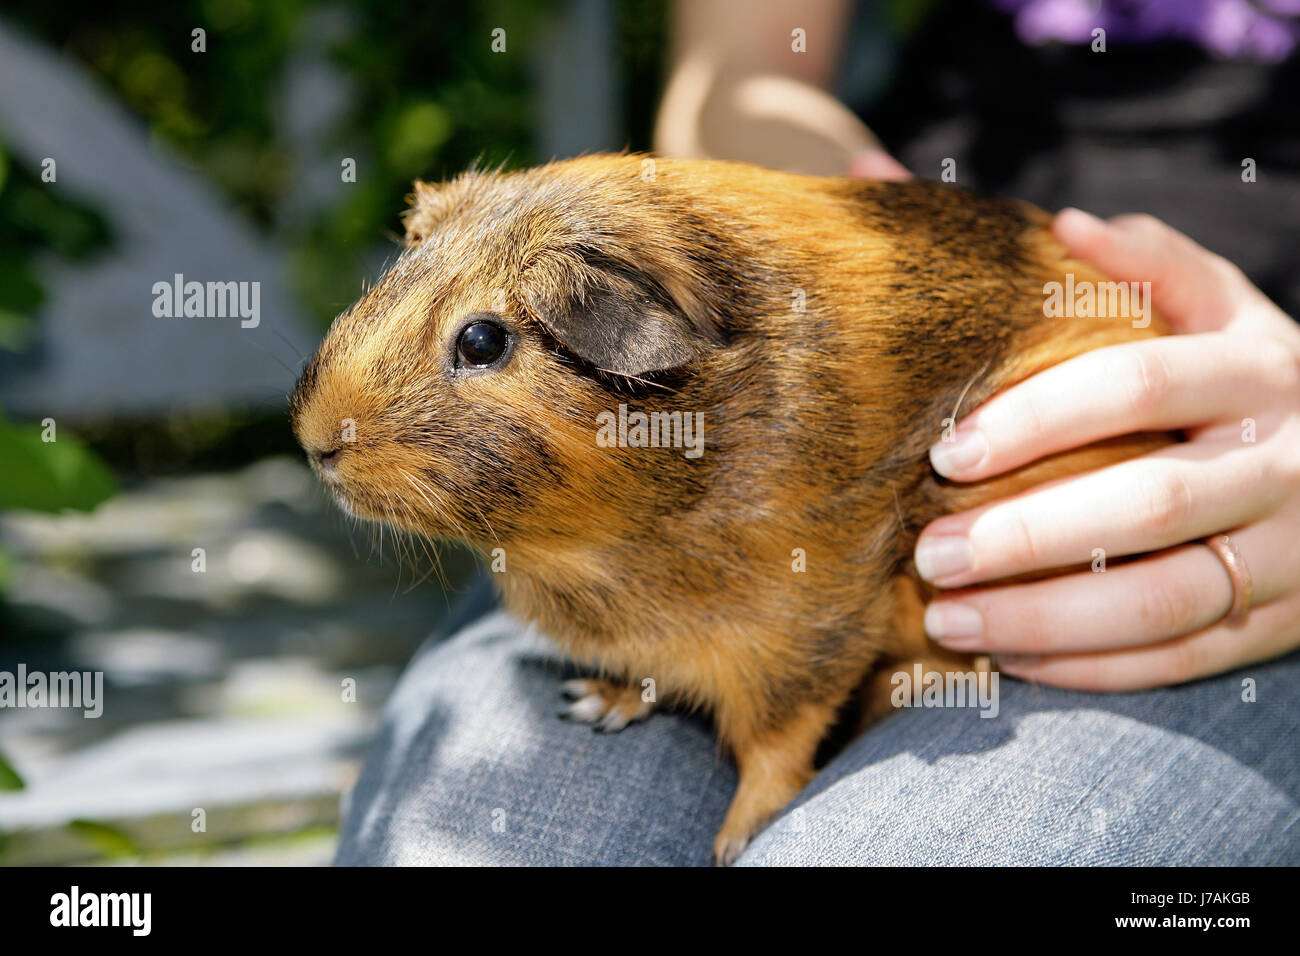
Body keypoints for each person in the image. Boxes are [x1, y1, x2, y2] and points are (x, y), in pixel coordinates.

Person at [333, 0, 1299, 865]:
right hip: (860, 258)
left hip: (1207, 516)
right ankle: (658, 671)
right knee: (484, 844)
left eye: (484, 345)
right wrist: (801, 206)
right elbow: (743, 75)